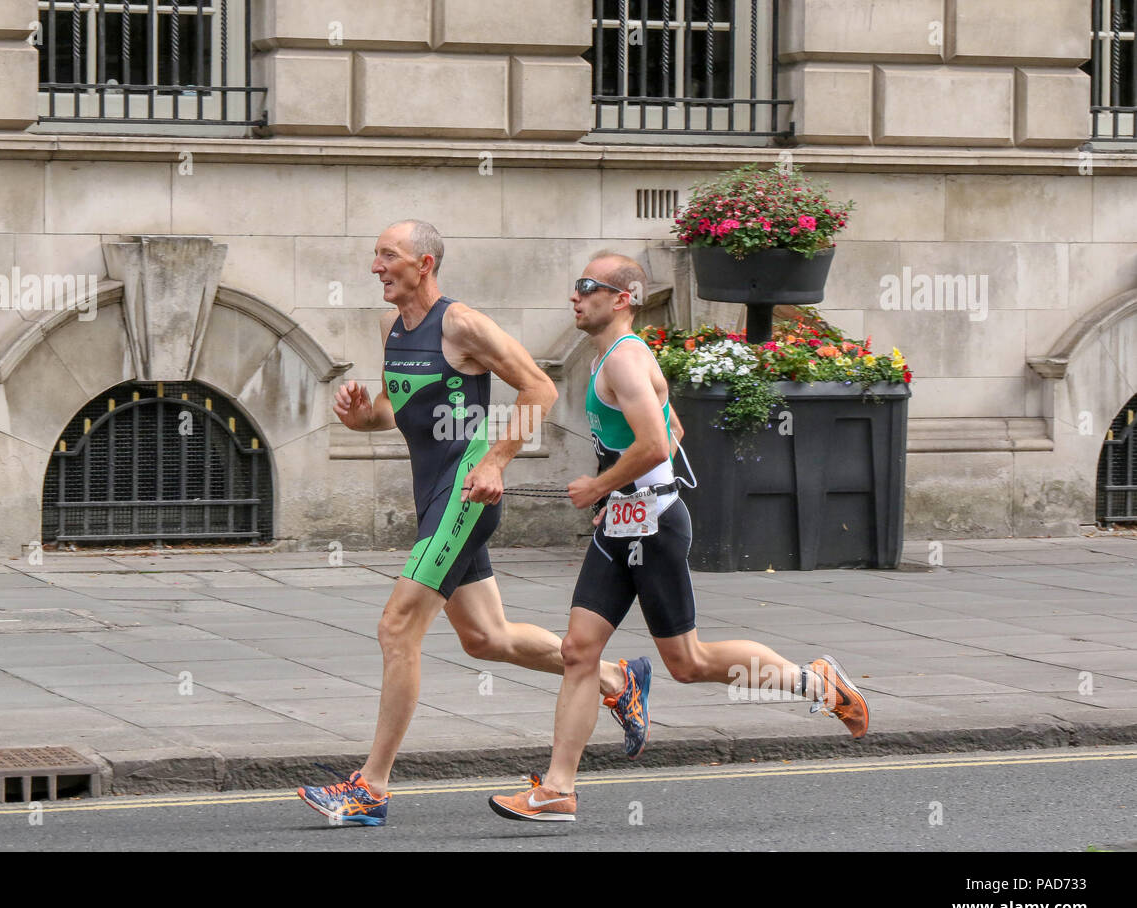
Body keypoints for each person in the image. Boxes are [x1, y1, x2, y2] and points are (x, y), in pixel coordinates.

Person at [488, 252, 869, 824]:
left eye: (587, 287)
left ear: (623, 299)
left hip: (656, 528)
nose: (575, 296)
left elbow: (658, 446)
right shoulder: (607, 361)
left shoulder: (625, 358)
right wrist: (618, 496)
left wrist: (600, 486)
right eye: (575, 286)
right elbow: (671, 425)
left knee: (687, 664)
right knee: (577, 651)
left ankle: (817, 683)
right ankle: (557, 790)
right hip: (624, 524)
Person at [297, 223, 651, 826]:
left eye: (389, 256)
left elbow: (539, 387)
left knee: (396, 629)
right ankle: (619, 681)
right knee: (485, 638)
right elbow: (396, 407)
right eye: (376, 255)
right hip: (433, 498)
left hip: (464, 495)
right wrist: (363, 419)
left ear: (425, 263)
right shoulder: (393, 329)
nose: (376, 266)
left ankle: (370, 789)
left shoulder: (461, 324)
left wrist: (495, 460)